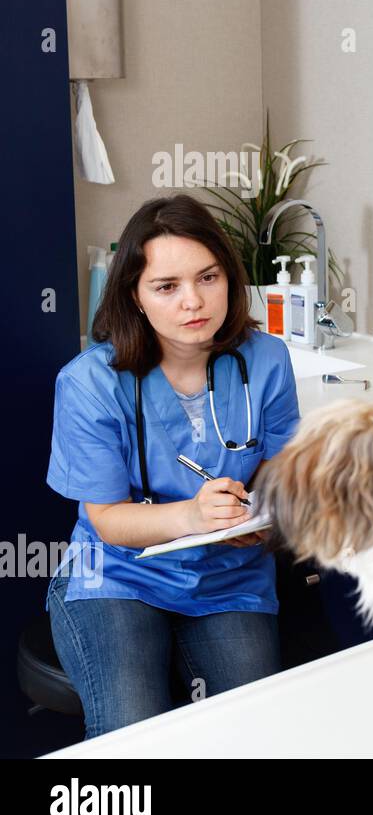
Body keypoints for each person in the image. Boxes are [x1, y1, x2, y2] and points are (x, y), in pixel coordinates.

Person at [46, 193, 301, 739]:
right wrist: (194, 516)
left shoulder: (268, 360)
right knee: (134, 734)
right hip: (115, 575)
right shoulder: (89, 384)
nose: (194, 301)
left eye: (208, 277)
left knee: (258, 734)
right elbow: (109, 519)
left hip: (229, 577)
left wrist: (257, 520)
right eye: (167, 287)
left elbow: (283, 475)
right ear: (135, 297)